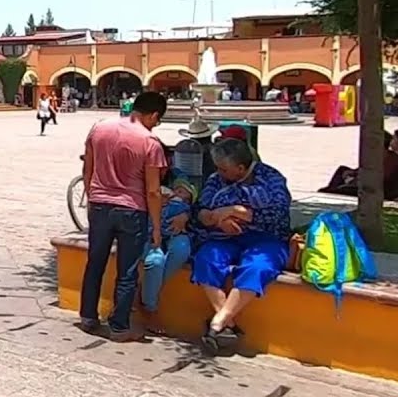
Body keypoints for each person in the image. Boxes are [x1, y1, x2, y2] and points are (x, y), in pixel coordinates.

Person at [77, 91, 169, 342]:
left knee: (95, 263)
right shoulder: (150, 142)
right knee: (127, 270)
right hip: (132, 210)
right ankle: (119, 327)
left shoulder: (99, 128)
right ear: (154, 115)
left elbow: (88, 169)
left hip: (100, 205)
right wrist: (157, 227)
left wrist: (92, 197)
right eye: (157, 120)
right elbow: (153, 190)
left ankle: (88, 316)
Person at [190, 138, 292, 355]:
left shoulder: (271, 178)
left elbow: (277, 214)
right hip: (224, 237)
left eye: (224, 169)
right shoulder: (216, 180)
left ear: (241, 168)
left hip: (265, 238)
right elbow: (200, 209)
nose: (219, 173)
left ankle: (218, 322)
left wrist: (235, 211)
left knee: (258, 266)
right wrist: (215, 219)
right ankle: (227, 324)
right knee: (206, 258)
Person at [140, 177, 195, 331]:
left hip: (173, 232)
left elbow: (198, 207)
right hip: (147, 231)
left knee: (181, 251)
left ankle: (148, 290)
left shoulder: (177, 175)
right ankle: (150, 307)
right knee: (155, 262)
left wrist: (187, 214)